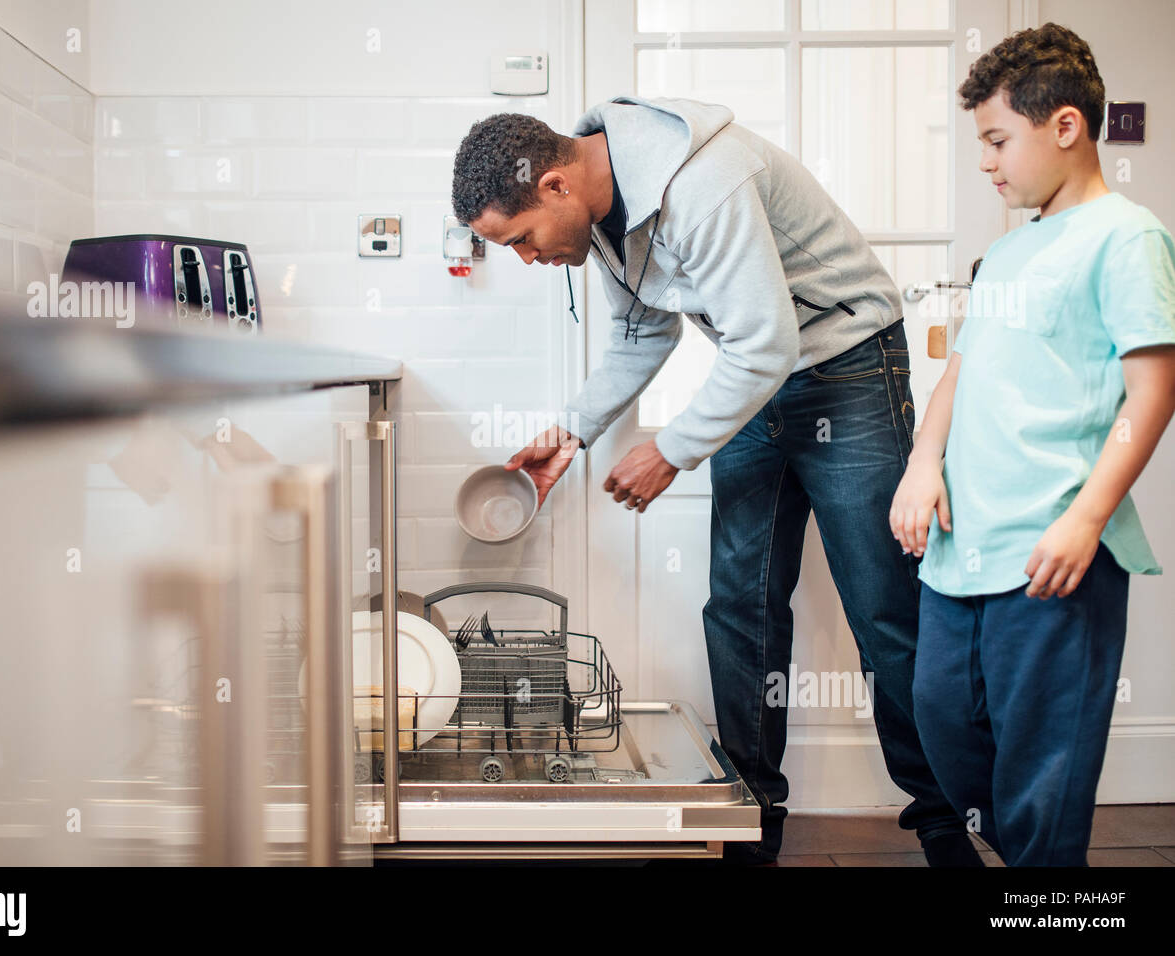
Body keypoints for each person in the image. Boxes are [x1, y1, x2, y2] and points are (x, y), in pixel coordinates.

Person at [452, 97, 981, 865]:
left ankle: (941, 819)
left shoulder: (703, 181)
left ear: (558, 185)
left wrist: (672, 448)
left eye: (523, 239)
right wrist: (572, 431)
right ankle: (753, 817)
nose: (529, 260)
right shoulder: (601, 216)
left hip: (849, 367)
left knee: (884, 607)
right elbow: (644, 330)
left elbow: (766, 342)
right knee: (739, 606)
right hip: (756, 380)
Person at [892, 23, 1175, 866]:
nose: (986, 162)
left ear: (1065, 127)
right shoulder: (1009, 252)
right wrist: (921, 463)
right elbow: (960, 374)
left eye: (996, 139)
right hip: (960, 550)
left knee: (1042, 779)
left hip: (1055, 554)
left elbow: (1152, 395)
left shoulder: (1127, 236)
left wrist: (1088, 518)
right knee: (942, 723)